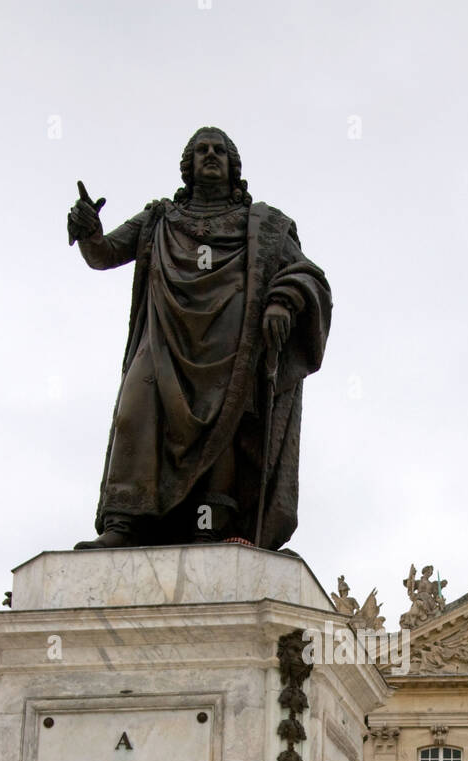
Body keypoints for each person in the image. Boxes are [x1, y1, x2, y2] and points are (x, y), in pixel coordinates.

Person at [67, 127, 332, 550]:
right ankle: (125, 522)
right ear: (187, 165)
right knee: (134, 412)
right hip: (164, 339)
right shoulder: (160, 218)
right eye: (202, 150)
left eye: (220, 150)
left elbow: (307, 274)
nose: (211, 155)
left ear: (233, 165)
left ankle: (207, 526)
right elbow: (104, 253)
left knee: (220, 427)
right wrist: (88, 232)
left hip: (232, 345)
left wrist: (282, 300)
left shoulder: (263, 225)